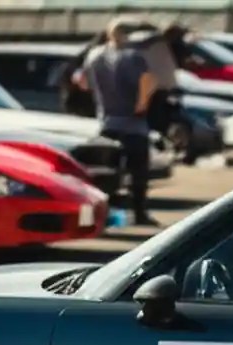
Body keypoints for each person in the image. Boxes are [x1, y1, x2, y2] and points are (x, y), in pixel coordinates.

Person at [79, 18, 158, 227]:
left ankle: (107, 215)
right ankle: (139, 214)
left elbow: (82, 82)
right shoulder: (134, 56)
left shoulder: (94, 55)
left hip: (106, 122)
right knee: (138, 172)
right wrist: (141, 105)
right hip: (133, 123)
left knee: (108, 173)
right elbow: (147, 82)